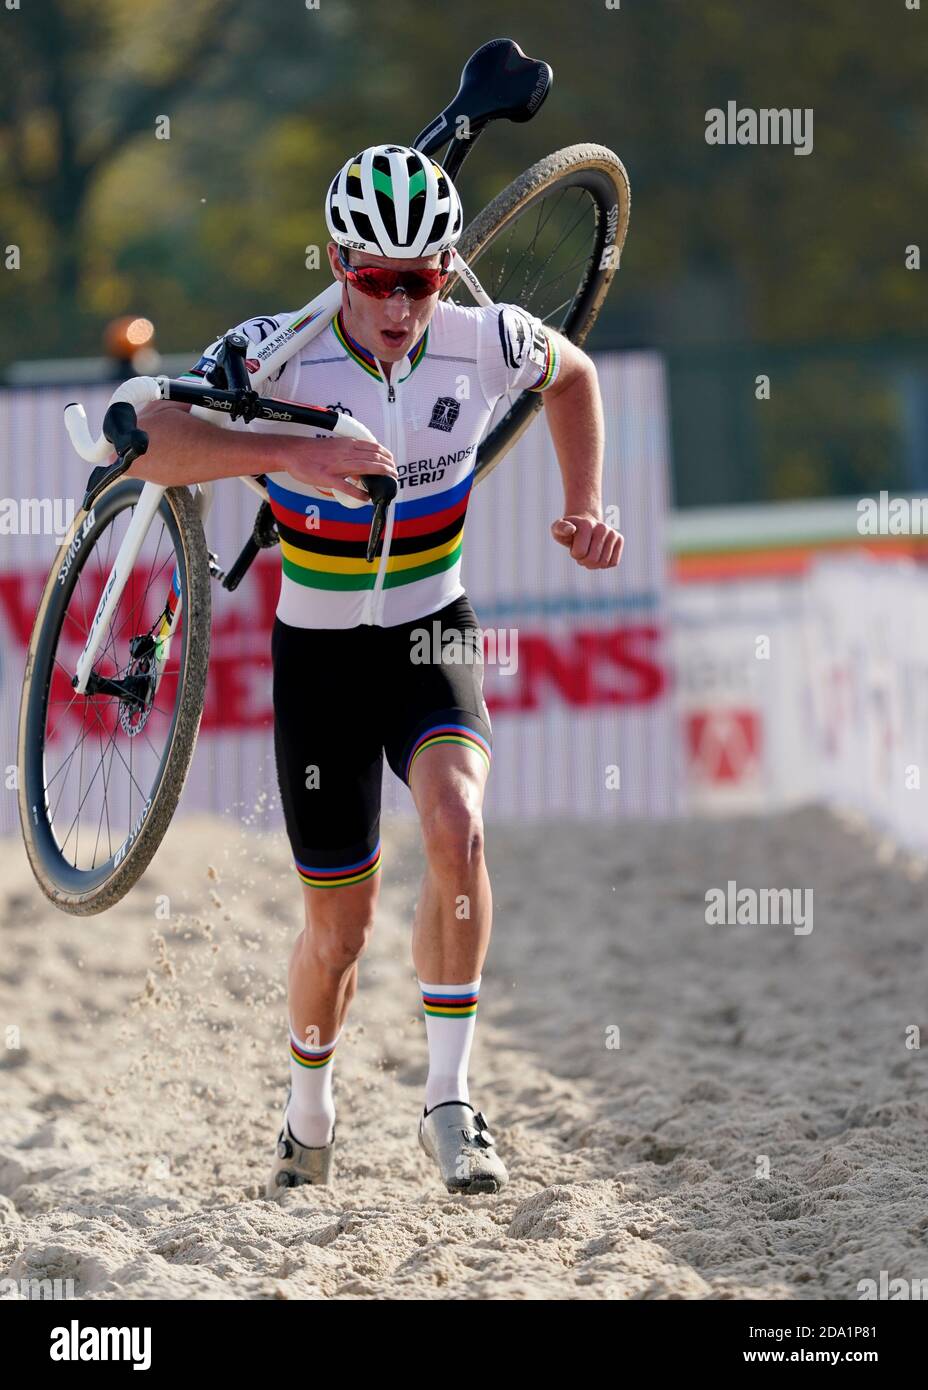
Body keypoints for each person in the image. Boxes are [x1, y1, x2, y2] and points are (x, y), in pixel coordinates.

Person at [127, 143, 623, 1196]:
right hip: (317, 660)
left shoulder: (483, 341)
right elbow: (148, 439)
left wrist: (585, 503)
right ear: (338, 261)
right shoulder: (279, 349)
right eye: (375, 278)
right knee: (338, 931)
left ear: (447, 268)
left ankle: (450, 1100)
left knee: (458, 826)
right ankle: (308, 1105)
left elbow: (571, 372)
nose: (400, 303)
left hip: (431, 634)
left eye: (423, 278)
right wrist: (286, 453)